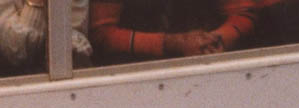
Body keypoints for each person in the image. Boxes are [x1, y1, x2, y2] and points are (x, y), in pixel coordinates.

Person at [88, 0, 260, 64]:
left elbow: (243, 13)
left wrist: (215, 41)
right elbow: (101, 35)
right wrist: (172, 44)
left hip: (207, 62)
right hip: (134, 72)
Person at [0, 0, 92, 75]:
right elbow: (19, 51)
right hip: (0, 83)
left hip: (56, 77)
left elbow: (73, 36)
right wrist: (36, 2)